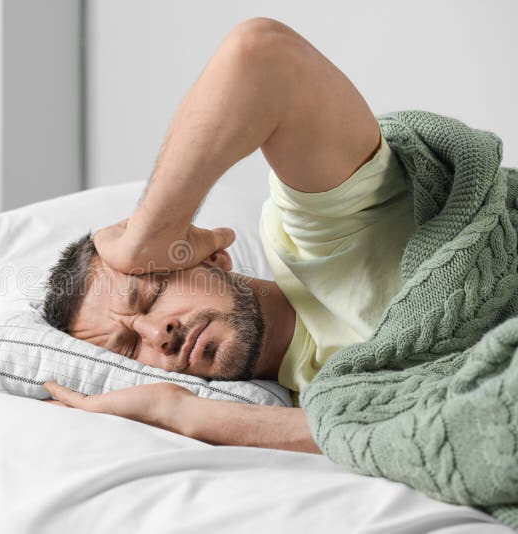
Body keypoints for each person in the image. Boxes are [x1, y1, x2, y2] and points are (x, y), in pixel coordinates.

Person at [41, 17, 414, 455]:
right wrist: (178, 412)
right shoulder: (314, 406)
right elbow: (423, 427)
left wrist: (148, 235)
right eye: (129, 349)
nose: (159, 333)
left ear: (212, 257)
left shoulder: (324, 238)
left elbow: (264, 56)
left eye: (153, 293)